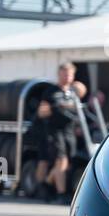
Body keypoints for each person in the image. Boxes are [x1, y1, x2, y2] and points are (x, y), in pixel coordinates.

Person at [31, 62, 82, 202]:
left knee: (67, 163)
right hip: (53, 131)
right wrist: (54, 109)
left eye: (70, 73)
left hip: (69, 132)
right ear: (59, 74)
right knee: (60, 161)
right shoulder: (51, 92)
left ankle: (46, 184)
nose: (67, 76)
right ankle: (60, 194)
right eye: (64, 73)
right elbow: (42, 113)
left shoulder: (72, 93)